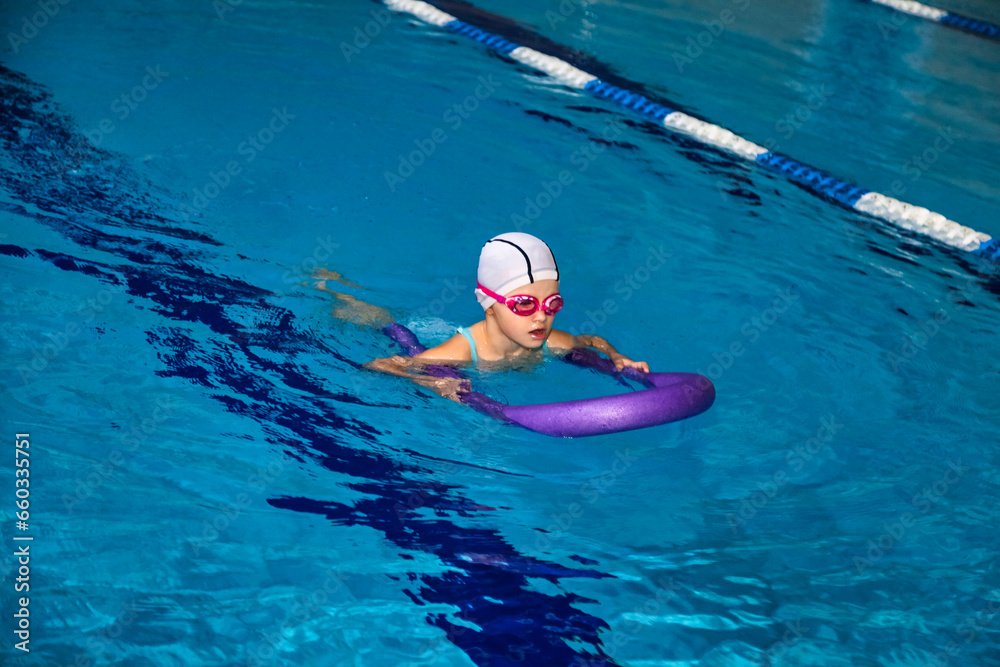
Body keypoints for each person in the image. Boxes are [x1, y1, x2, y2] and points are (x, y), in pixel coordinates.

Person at [364, 232, 649, 402]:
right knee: (402, 335)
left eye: (552, 304)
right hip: (439, 350)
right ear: (490, 306)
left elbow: (591, 340)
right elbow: (380, 365)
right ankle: (346, 297)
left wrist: (617, 356)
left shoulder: (552, 341)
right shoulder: (461, 351)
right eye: (525, 304)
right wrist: (432, 381)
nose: (541, 317)